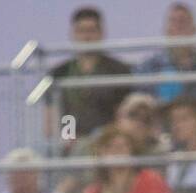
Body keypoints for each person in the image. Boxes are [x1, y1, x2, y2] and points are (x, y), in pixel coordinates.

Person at [45, 7, 132, 142]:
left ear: (102, 33)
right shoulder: (60, 72)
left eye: (91, 31)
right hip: (70, 143)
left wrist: (108, 139)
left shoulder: (119, 70)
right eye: (81, 31)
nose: (86, 37)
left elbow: (124, 116)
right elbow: (51, 116)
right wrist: (67, 139)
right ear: (72, 34)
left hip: (109, 144)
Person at [136, 2, 196, 116]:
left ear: (195, 30)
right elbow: (144, 106)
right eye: (174, 22)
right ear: (167, 31)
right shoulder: (149, 67)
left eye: (183, 22)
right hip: (162, 127)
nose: (178, 28)